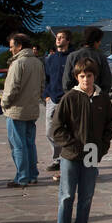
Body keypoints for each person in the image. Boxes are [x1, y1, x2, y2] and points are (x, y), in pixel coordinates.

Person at [49, 58, 112, 223]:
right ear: (76, 77)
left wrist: (103, 146)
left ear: (94, 76)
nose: (86, 79)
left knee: (86, 195)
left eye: (89, 75)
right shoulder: (69, 98)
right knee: (67, 195)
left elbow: (109, 123)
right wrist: (71, 144)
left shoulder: (102, 99)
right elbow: (56, 128)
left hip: (92, 151)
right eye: (82, 76)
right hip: (70, 154)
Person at [2, 33, 46, 188]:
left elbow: (12, 88)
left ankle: (22, 177)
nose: (10, 50)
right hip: (32, 109)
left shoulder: (18, 63)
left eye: (12, 47)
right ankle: (32, 174)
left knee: (18, 145)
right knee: (29, 144)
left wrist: (4, 103)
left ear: (19, 46)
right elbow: (42, 86)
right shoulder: (38, 62)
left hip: (16, 110)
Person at [43, 29, 72, 174]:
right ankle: (57, 158)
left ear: (68, 41)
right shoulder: (50, 59)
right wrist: (46, 95)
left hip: (66, 100)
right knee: (49, 131)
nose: (58, 40)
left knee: (66, 130)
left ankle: (65, 158)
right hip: (52, 99)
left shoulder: (71, 58)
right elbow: (46, 78)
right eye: (57, 37)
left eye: (62, 38)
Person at [64, 27, 112, 100]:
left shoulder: (72, 57)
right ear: (96, 41)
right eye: (99, 41)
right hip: (96, 99)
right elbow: (107, 82)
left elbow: (66, 82)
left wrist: (71, 98)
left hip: (76, 99)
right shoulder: (101, 57)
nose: (100, 43)